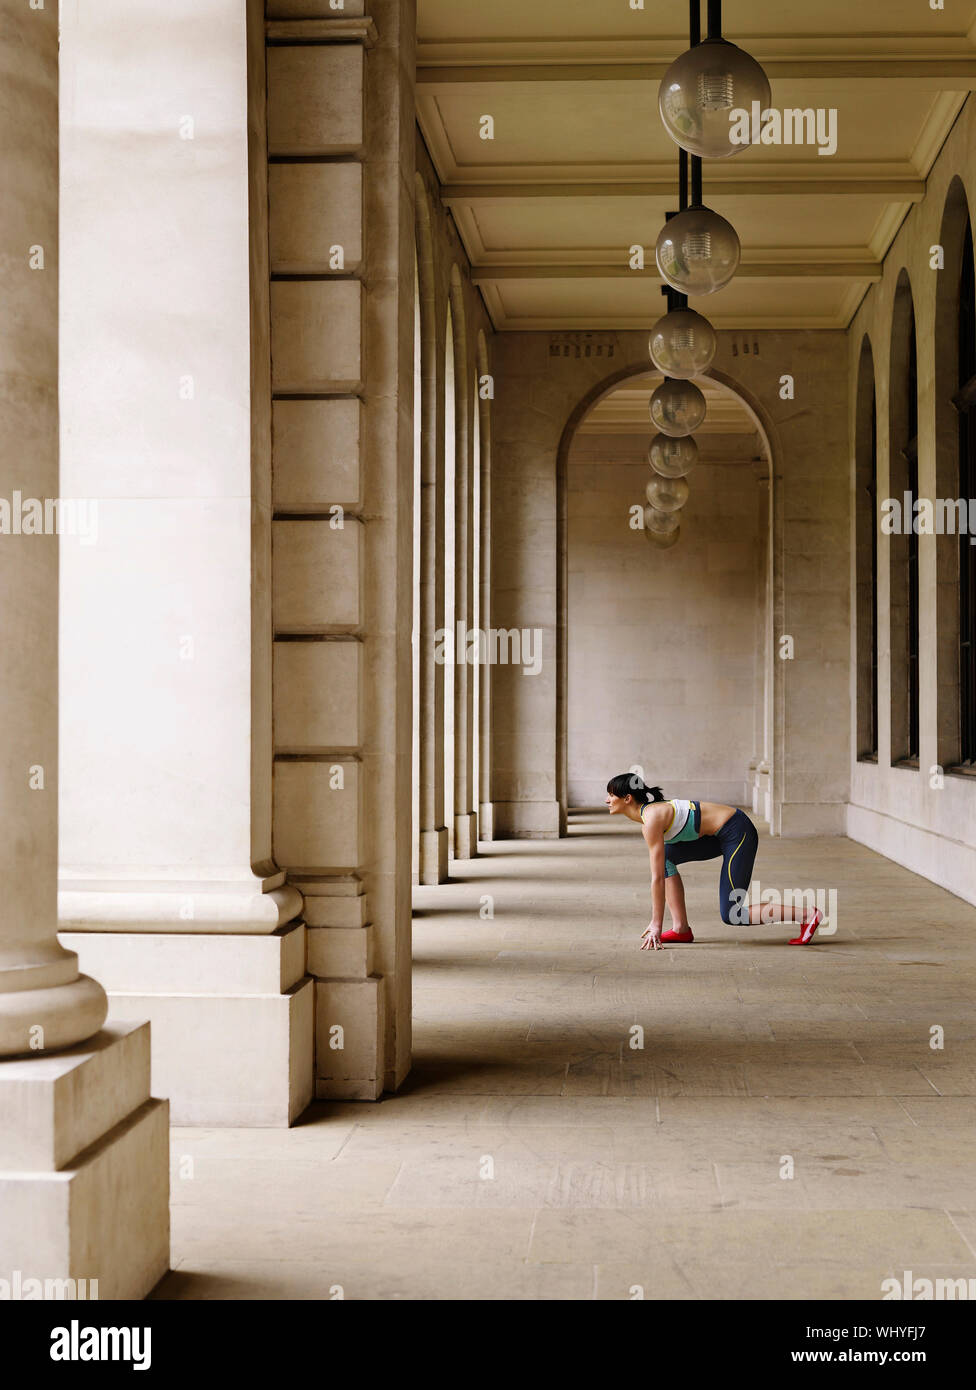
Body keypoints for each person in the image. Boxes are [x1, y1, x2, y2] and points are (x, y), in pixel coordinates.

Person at [604, 773, 825, 950]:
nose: (607, 800)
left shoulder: (651, 819)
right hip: (717, 836)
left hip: (738, 832)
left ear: (627, 798)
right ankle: (681, 929)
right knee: (667, 858)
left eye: (610, 795)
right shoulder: (648, 817)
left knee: (732, 914)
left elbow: (657, 879)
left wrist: (656, 924)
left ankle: (807, 914)